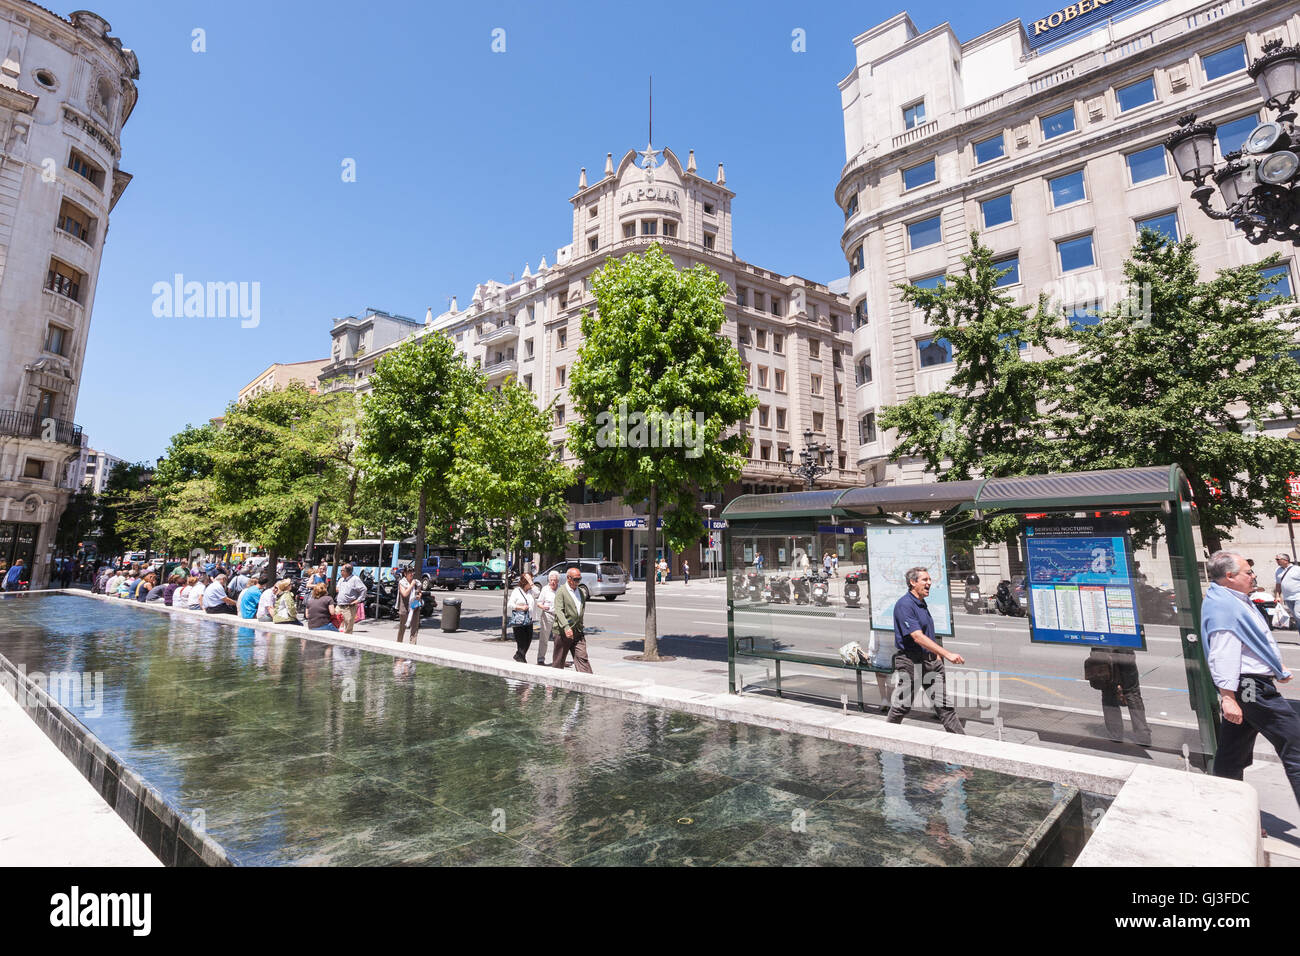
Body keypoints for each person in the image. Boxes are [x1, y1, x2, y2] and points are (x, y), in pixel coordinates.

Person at [1204, 551, 1300, 810]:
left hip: (1248, 685)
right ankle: (1228, 810)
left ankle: (1228, 810)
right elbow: (1222, 653)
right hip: (1249, 688)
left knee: (1232, 755)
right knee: (1296, 743)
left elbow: (1251, 643)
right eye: (1248, 571)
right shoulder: (1225, 607)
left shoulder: (1233, 599)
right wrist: (1227, 697)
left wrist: (1274, 667)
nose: (1254, 575)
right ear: (1230, 577)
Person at [885, 566, 965, 734]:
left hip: (930, 663)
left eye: (929, 579)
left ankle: (964, 746)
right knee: (902, 707)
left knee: (945, 709)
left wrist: (936, 656)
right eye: (925, 580)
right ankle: (884, 738)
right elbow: (917, 636)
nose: (929, 583)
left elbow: (928, 634)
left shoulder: (921, 603)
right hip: (911, 662)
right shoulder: (904, 605)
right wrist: (947, 654)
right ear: (913, 583)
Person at [1085, 647, 1152, 746]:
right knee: (1132, 693)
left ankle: (1115, 734)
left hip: (1104, 654)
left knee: (1109, 694)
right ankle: (1143, 736)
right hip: (1124, 653)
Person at [552, 565, 592, 673]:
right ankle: (555, 686)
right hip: (562, 633)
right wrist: (566, 627)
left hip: (577, 632)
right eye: (575, 579)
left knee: (582, 659)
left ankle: (587, 684)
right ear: (568, 578)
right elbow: (559, 610)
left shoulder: (581, 592)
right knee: (558, 662)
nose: (578, 581)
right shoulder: (561, 591)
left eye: (579, 579)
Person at [508, 571, 537, 663]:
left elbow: (538, 592)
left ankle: (519, 656)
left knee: (528, 640)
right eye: (530, 580)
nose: (531, 582)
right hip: (519, 621)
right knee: (521, 642)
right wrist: (521, 607)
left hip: (529, 620)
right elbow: (510, 604)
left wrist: (531, 583)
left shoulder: (531, 591)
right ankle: (521, 660)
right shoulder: (517, 591)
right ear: (525, 582)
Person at [395, 566, 428, 645]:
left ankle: (412, 646)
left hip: (415, 605)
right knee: (402, 628)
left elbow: (419, 592)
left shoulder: (417, 582)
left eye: (412, 572)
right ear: (405, 574)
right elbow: (405, 594)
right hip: (404, 607)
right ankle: (399, 644)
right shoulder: (402, 583)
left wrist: (419, 596)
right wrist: (411, 585)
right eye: (409, 572)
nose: (412, 574)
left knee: (414, 628)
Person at [334, 564, 367, 633]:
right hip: (339, 605)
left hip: (349, 607)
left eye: (342, 571)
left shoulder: (355, 579)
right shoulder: (341, 579)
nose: (341, 572)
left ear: (347, 571)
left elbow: (363, 589)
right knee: (335, 624)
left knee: (348, 628)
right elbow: (338, 588)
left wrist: (358, 600)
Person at [536, 570, 559, 665]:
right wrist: (542, 607)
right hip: (547, 615)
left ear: (558, 581)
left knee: (558, 640)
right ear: (548, 580)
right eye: (551, 580)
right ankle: (541, 659)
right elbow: (539, 603)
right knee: (544, 639)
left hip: (558, 616)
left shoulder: (561, 589)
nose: (553, 582)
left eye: (555, 580)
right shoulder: (545, 589)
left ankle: (557, 660)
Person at [1275, 554, 1300, 632]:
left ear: (1286, 560)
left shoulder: (1297, 569)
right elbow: (1278, 584)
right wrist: (1277, 596)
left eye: (1278, 559)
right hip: (1287, 598)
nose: (1276, 561)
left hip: (1298, 596)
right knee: (1296, 618)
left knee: (1298, 615)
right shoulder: (1278, 570)